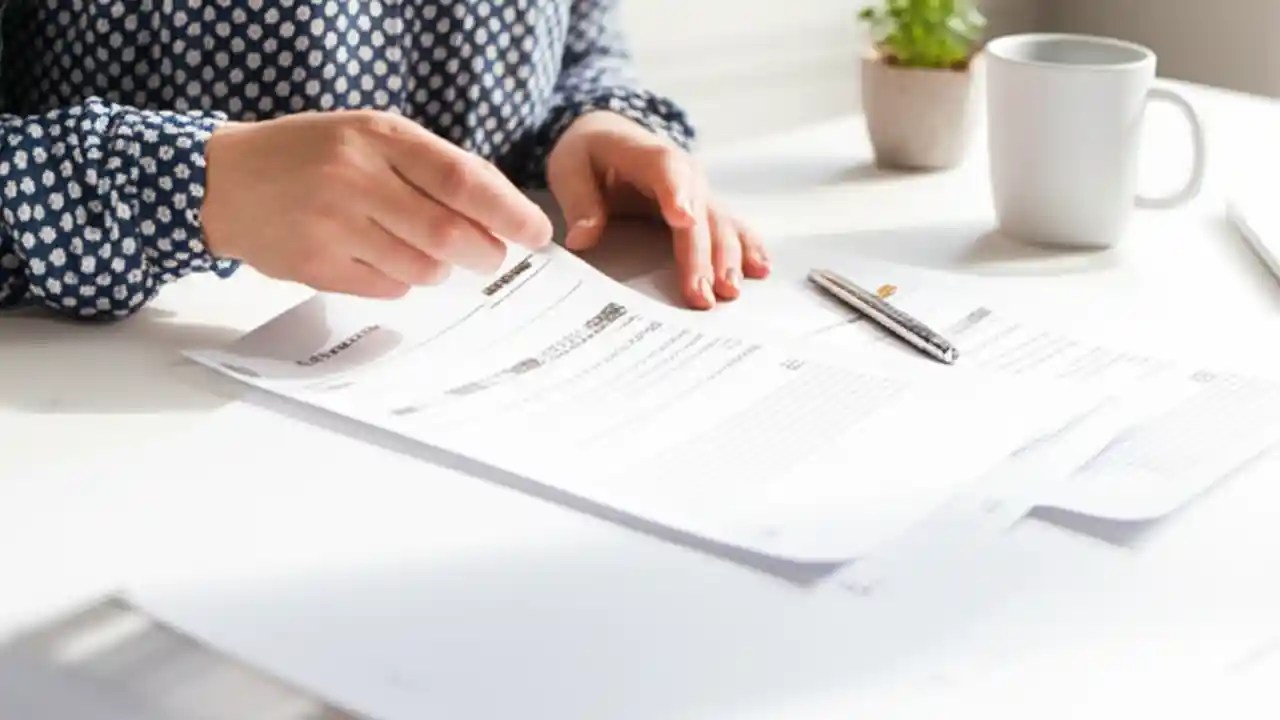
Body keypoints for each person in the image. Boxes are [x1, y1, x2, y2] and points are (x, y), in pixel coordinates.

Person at [0, 0, 770, 320]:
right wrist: (194, 185)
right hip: (126, 393)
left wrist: (593, 117)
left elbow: (582, 35)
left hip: (500, 354)